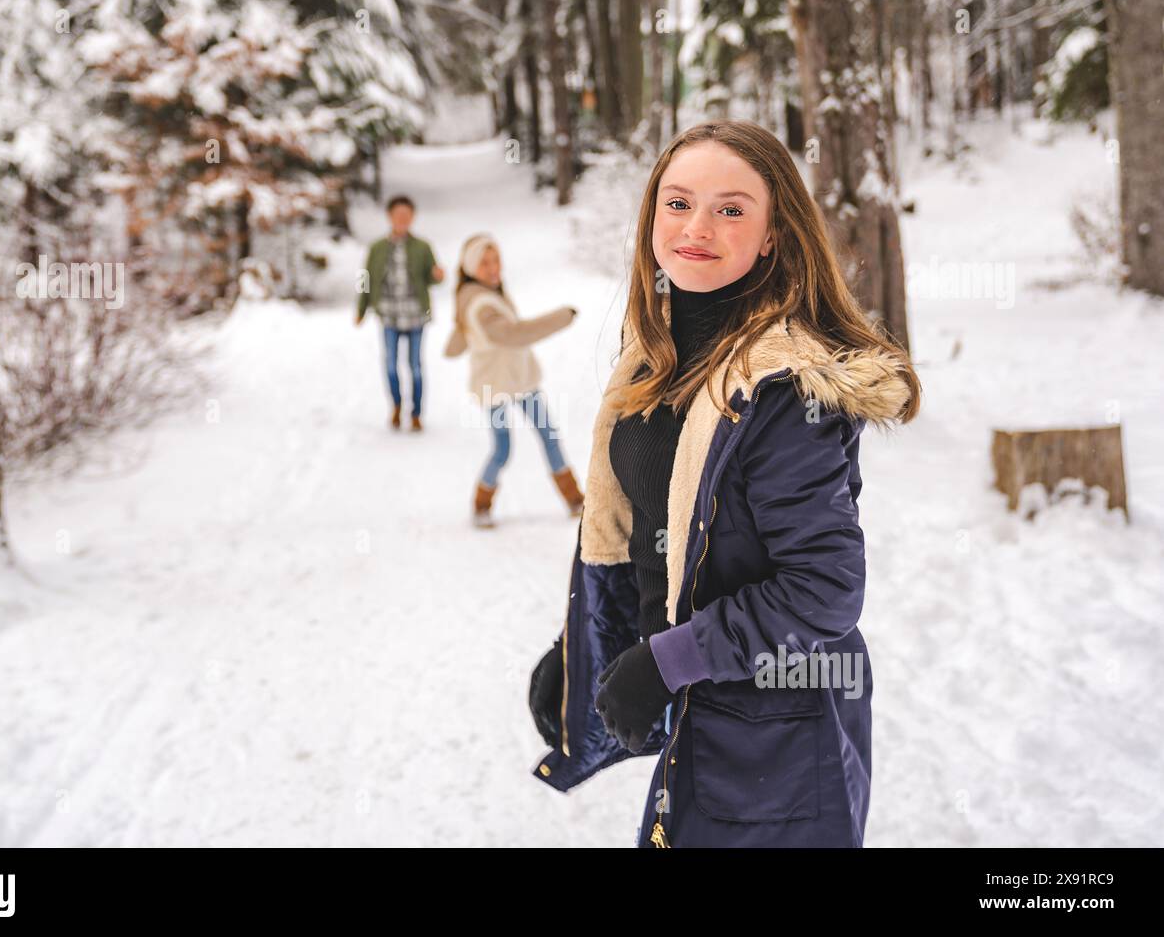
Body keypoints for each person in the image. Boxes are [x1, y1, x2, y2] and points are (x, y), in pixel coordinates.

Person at [527, 120, 922, 847]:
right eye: (677, 203)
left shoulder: (782, 390)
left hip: (778, 726)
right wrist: (585, 646)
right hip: (709, 706)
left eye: (731, 209)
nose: (696, 227)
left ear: (774, 234)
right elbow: (654, 533)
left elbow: (824, 589)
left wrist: (663, 661)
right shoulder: (656, 354)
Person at [442, 234, 586, 528]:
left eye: (496, 260)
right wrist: (561, 317)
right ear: (471, 268)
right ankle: (481, 505)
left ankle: (574, 499)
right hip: (495, 384)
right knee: (503, 448)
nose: (494, 268)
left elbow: (458, 342)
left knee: (548, 434)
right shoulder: (481, 303)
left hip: (518, 379)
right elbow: (515, 333)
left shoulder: (483, 293)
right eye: (485, 263)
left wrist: (458, 339)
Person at [355, 194, 444, 431]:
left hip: (416, 315)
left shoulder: (423, 247)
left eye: (407, 215)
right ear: (390, 217)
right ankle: (396, 406)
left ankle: (415, 413)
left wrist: (437, 276)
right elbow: (366, 279)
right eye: (398, 215)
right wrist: (361, 309)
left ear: (412, 218)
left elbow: (430, 278)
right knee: (391, 366)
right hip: (388, 314)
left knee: (415, 366)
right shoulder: (377, 248)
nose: (402, 219)